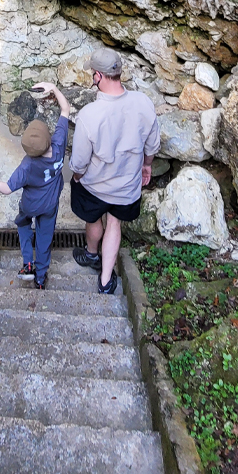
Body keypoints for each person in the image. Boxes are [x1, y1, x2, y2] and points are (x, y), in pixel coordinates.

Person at [69, 48, 160, 294]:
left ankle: (91, 254)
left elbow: (79, 163)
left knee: (93, 218)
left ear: (98, 76)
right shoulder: (143, 103)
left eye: (93, 73)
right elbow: (152, 146)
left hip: (95, 186)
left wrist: (77, 178)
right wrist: (147, 165)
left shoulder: (89, 115)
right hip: (126, 187)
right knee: (114, 223)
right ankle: (105, 281)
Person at [0, 83, 70, 289]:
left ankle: (28, 263)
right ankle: (40, 277)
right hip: (50, 206)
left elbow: (6, 188)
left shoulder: (28, 165)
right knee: (44, 238)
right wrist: (53, 88)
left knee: (22, 223)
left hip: (30, 205)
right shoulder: (58, 144)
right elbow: (65, 109)